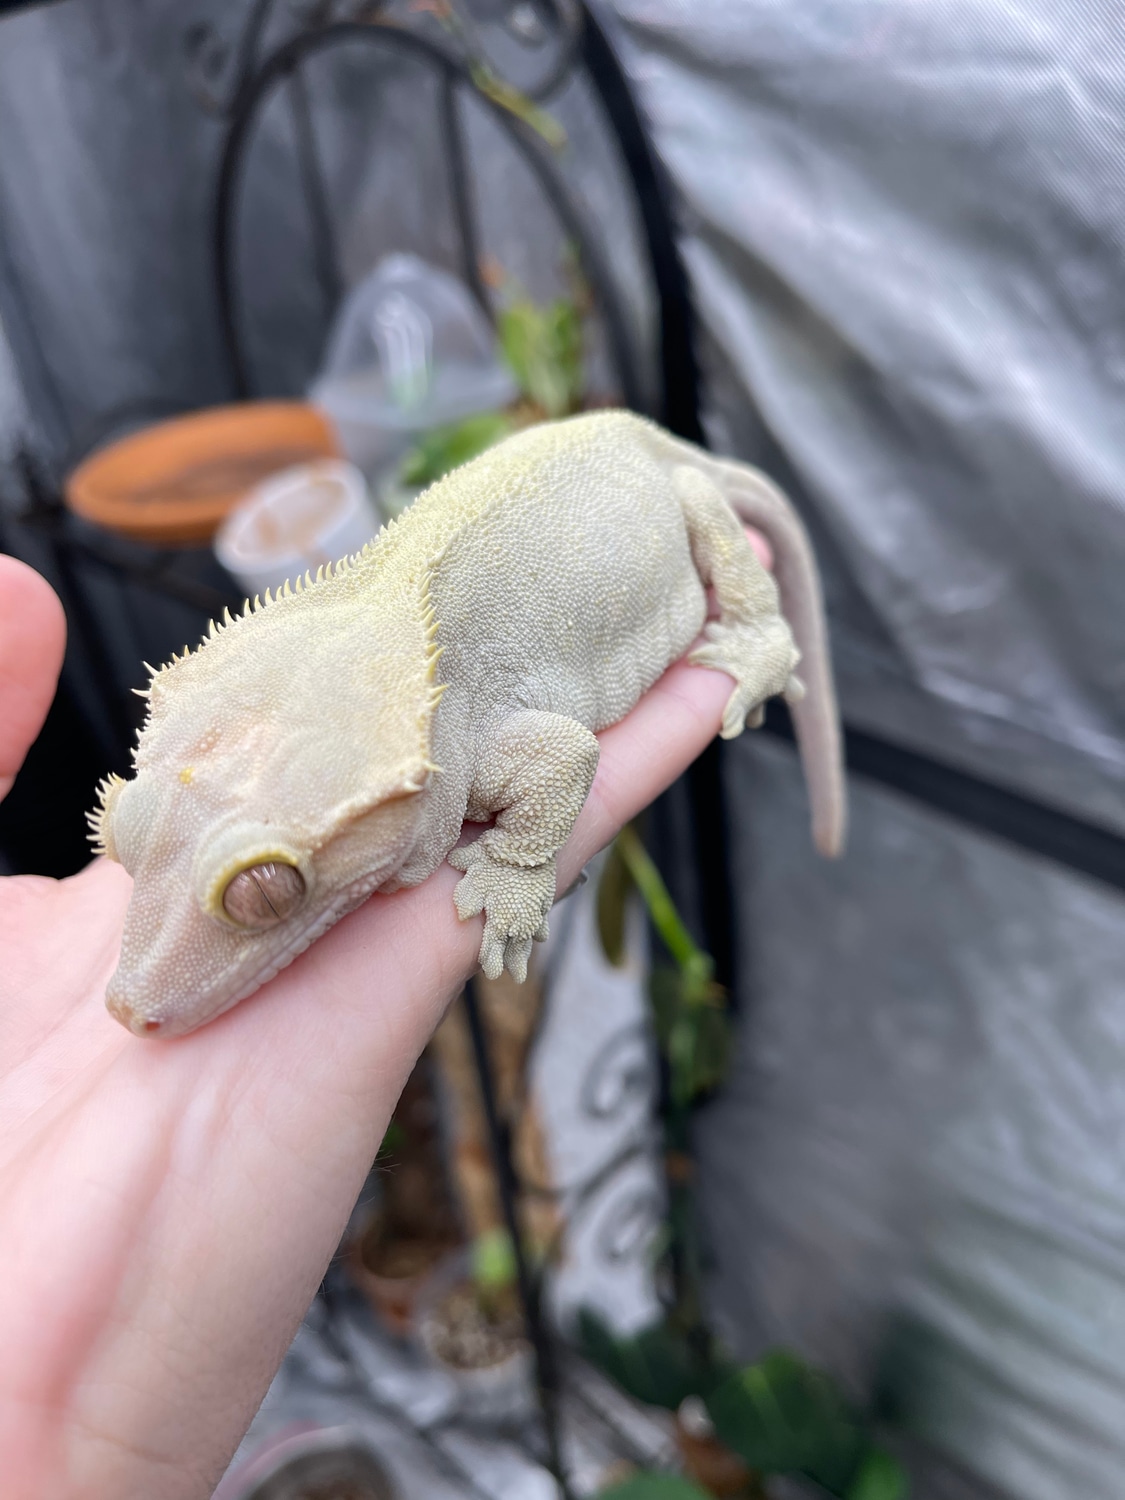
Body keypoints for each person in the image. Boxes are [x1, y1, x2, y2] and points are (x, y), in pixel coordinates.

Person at [0, 536, 766, 1500]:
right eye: (132, 832)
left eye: (267, 888)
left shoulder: (463, 757)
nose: (134, 992)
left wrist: (525, 861)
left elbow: (567, 752)